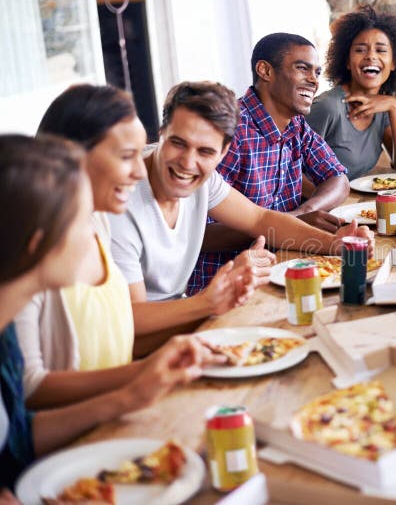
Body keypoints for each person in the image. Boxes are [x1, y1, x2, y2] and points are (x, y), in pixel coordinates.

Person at [0, 134, 222, 491]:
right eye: (79, 222)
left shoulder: (6, 332)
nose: (92, 235)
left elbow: (16, 441)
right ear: (37, 245)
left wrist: (129, 396)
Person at [108, 81, 373, 346]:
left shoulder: (205, 179)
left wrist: (336, 245)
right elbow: (130, 322)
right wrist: (210, 301)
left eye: (205, 151)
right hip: (135, 346)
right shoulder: (119, 204)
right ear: (161, 133)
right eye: (177, 143)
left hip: (185, 321)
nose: (188, 162)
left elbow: (260, 219)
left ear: (222, 153)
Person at [188, 33, 352, 295]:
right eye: (302, 68)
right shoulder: (231, 131)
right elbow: (200, 235)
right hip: (227, 284)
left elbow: (339, 180)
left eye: (317, 72)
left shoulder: (296, 125)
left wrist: (305, 213)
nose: (314, 80)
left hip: (282, 262)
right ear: (265, 70)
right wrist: (293, 224)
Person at [307, 5, 396, 180]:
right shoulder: (327, 107)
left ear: (393, 64)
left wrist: (393, 106)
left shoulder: (382, 107)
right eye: (360, 50)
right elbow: (292, 172)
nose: (371, 56)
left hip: (351, 204)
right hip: (319, 205)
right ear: (346, 61)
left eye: (381, 50)